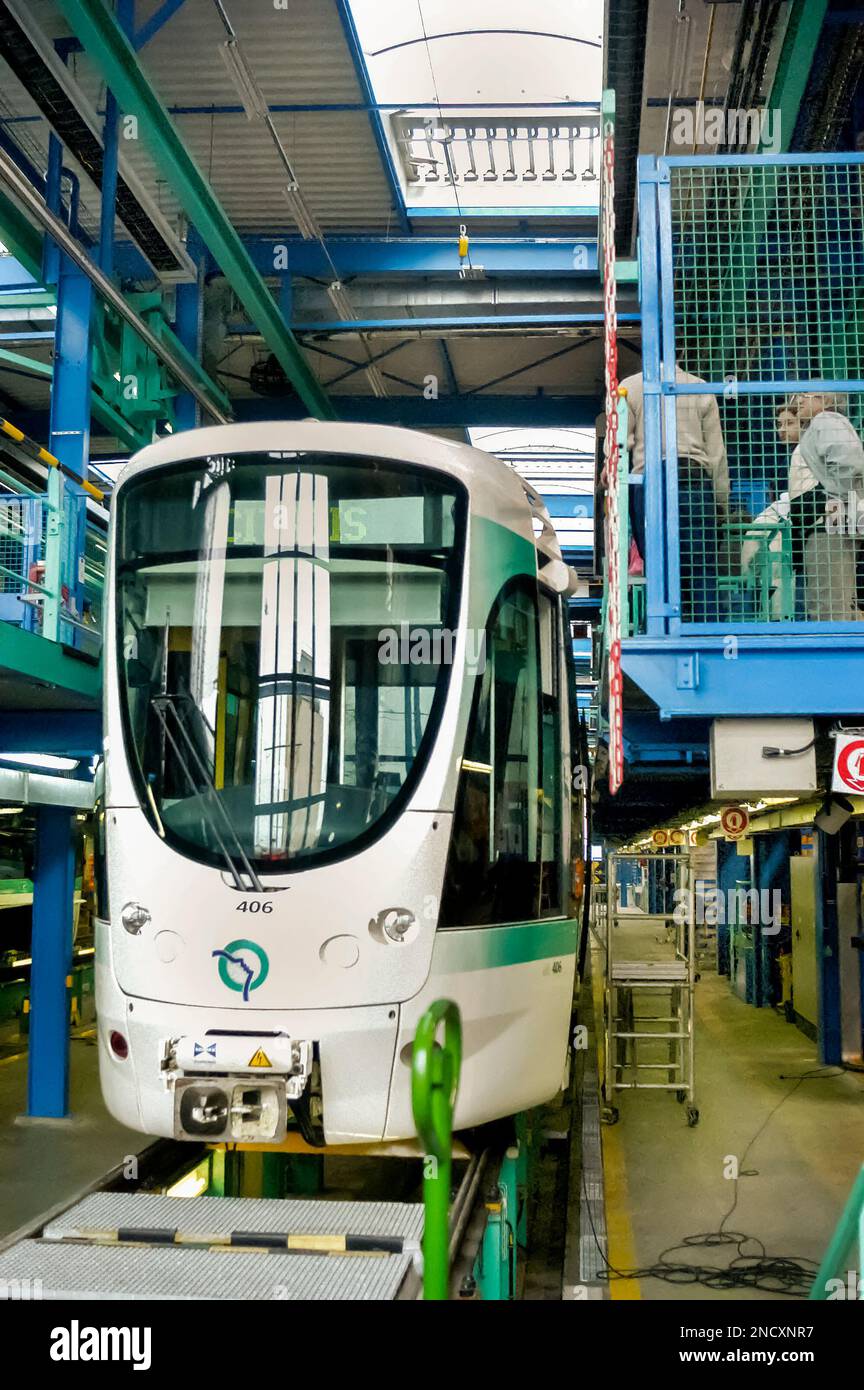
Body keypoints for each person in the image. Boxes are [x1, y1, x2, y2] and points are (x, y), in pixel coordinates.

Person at [618, 365, 729, 621]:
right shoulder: (698, 386)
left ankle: (664, 625)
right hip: (694, 479)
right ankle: (705, 630)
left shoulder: (630, 385)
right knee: (701, 562)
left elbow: (620, 440)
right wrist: (721, 500)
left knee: (657, 562)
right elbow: (716, 452)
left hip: (649, 482)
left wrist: (609, 468)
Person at [785, 394, 864, 621]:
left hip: (832, 523)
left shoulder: (826, 420)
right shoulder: (822, 424)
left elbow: (849, 463)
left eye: (805, 396)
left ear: (826, 400)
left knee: (828, 603)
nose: (797, 401)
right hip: (837, 520)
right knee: (833, 599)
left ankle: (839, 652)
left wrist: (834, 501)